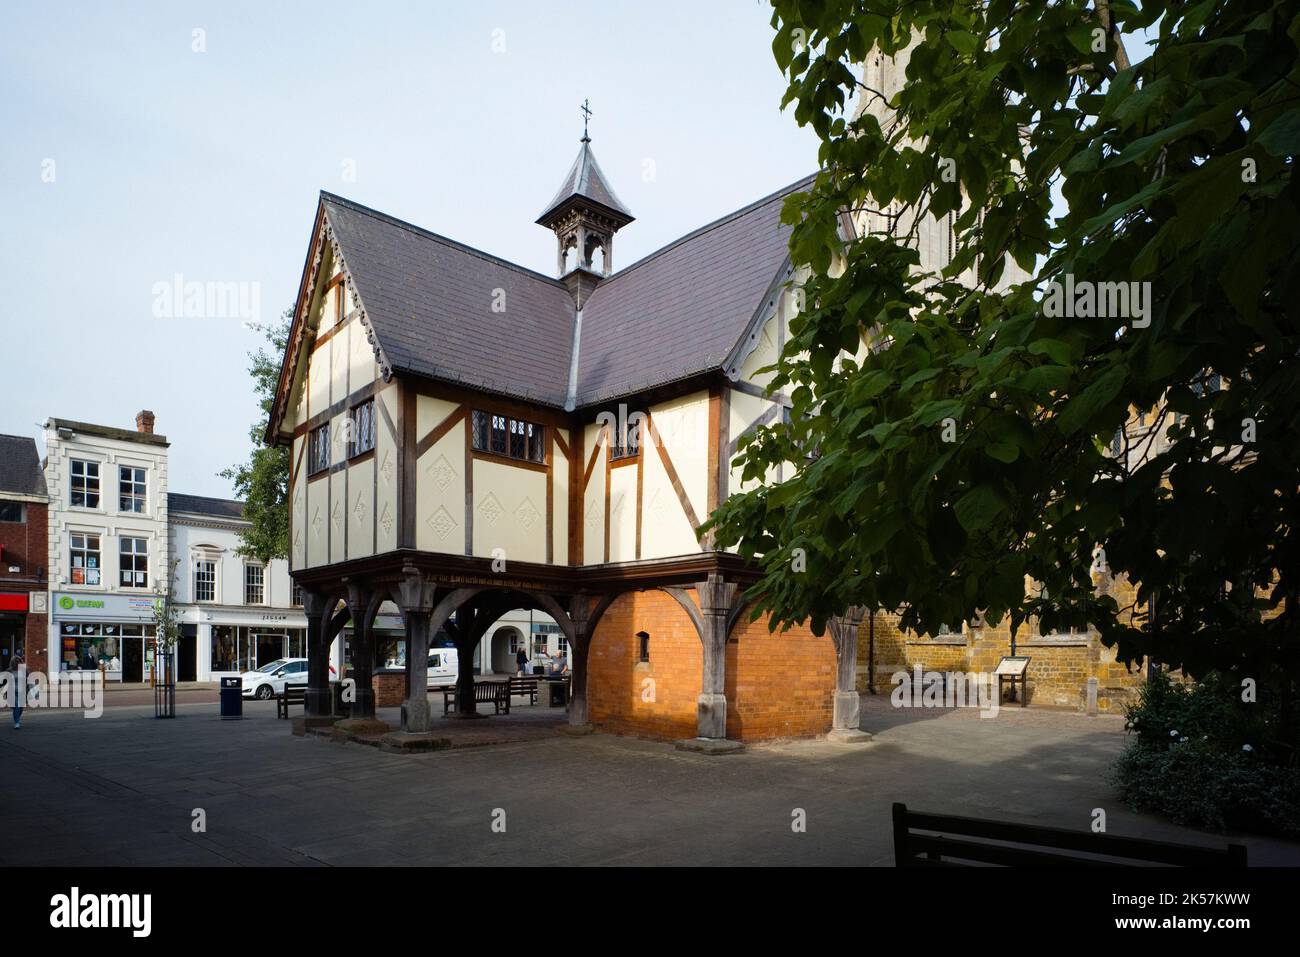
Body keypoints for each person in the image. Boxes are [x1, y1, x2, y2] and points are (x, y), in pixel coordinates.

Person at [9, 653, 25, 729]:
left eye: (18, 661)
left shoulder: (24, 670)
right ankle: (17, 722)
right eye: (16, 661)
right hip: (12, 691)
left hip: (22, 691)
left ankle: (16, 717)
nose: (17, 663)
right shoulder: (9, 671)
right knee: (17, 707)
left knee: (21, 708)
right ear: (12, 663)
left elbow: (28, 680)